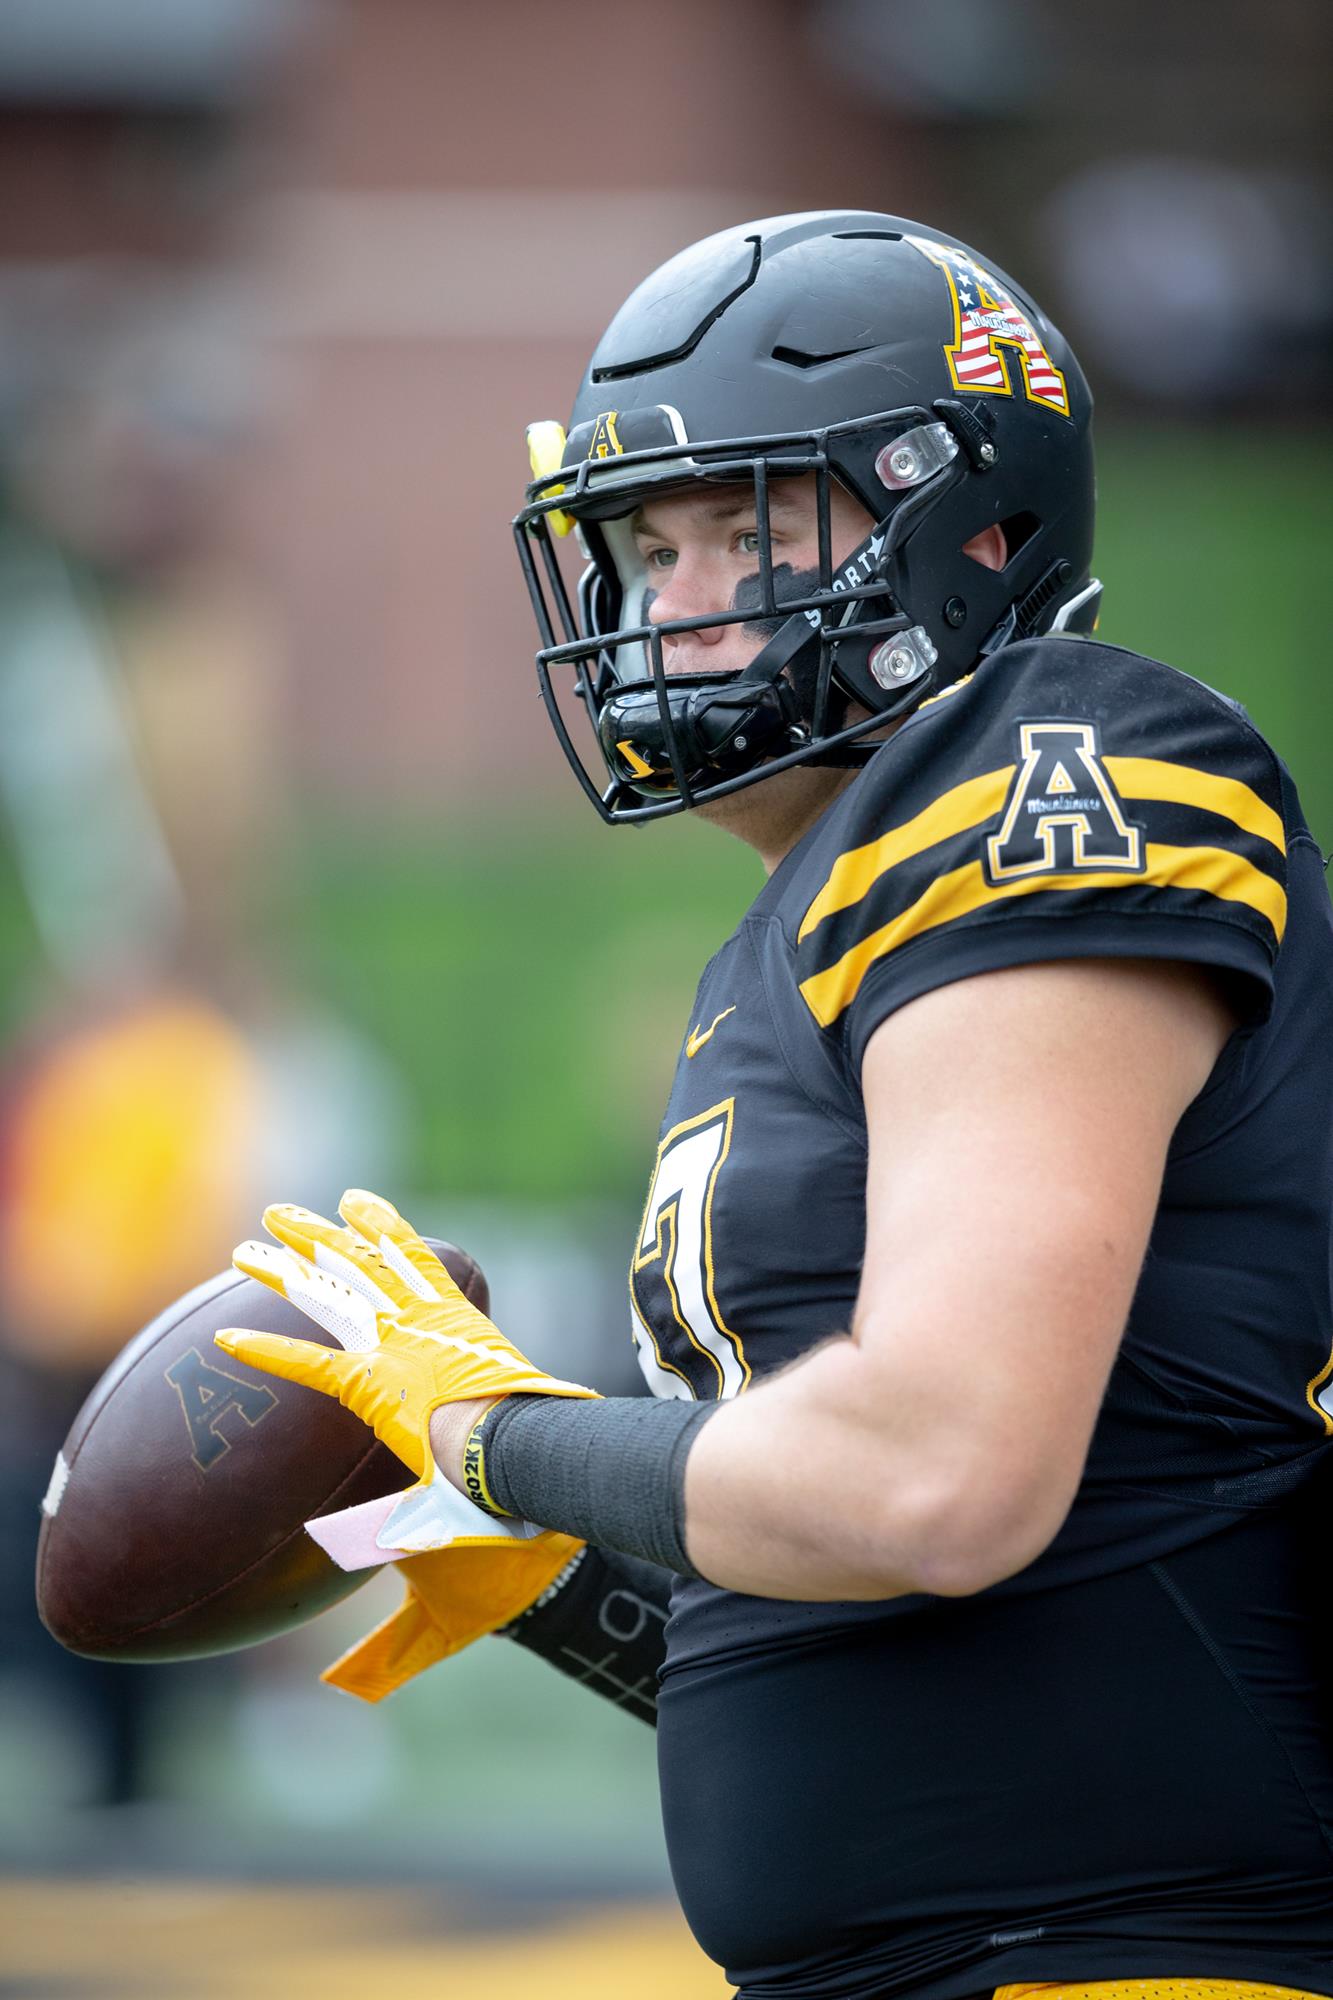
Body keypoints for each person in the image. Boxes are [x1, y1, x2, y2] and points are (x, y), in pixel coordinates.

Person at [222, 213, 1333, 1997]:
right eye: (644, 546)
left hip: (1121, 1952)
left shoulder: (1059, 771)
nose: (668, 600)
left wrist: (504, 1440)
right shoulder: (819, 915)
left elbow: (943, 1480)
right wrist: (571, 1577)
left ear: (969, 529)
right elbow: (923, 1643)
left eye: (744, 527)